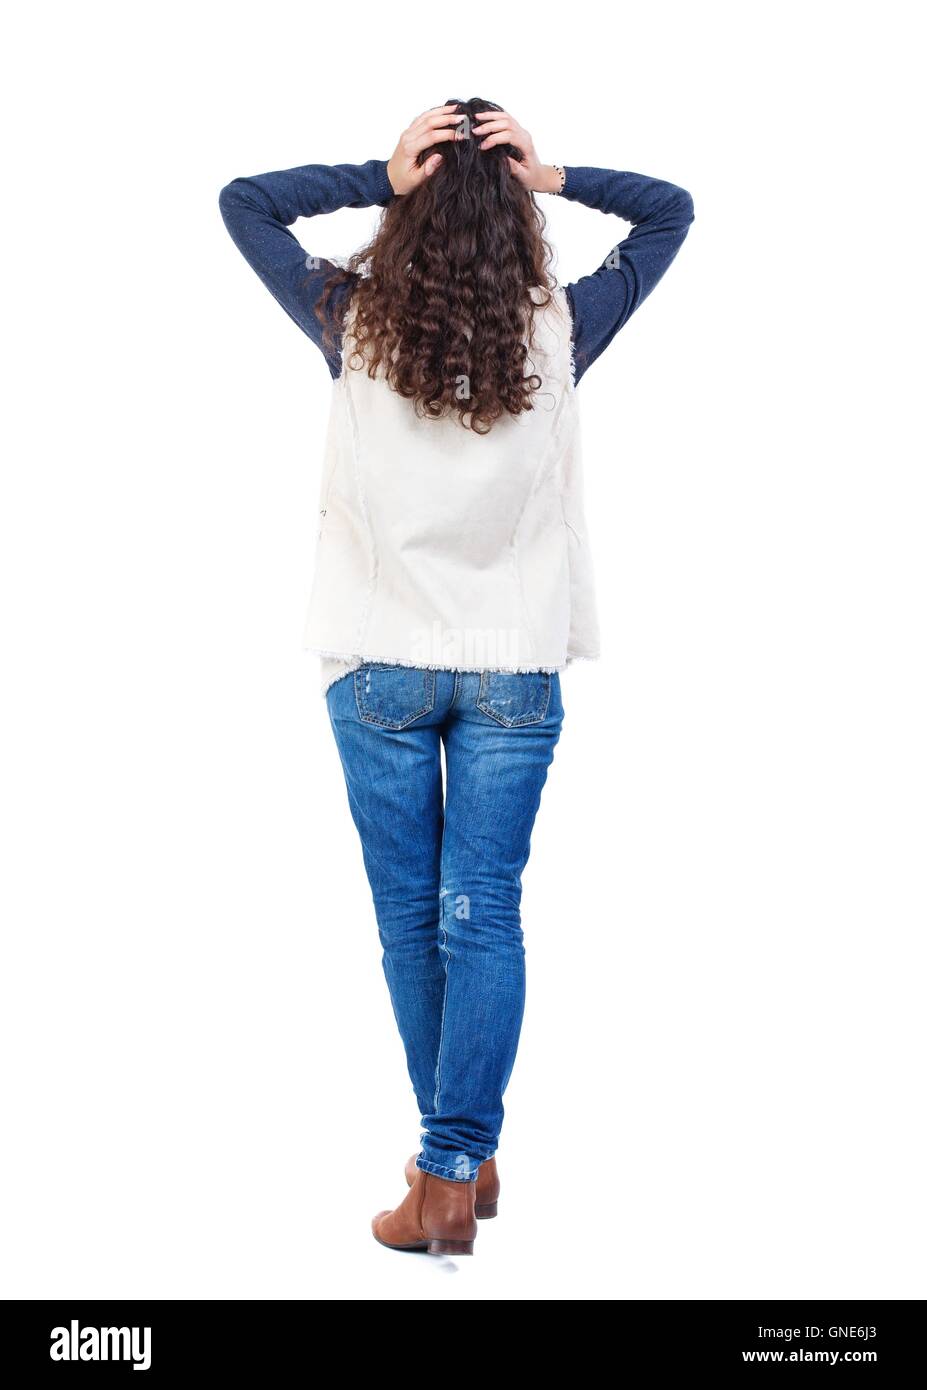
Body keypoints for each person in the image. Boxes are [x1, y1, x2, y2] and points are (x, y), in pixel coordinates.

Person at [219, 98, 693, 1255]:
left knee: (408, 923)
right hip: (513, 671)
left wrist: (385, 179)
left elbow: (248, 204)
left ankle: (442, 1170)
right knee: (482, 917)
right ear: (519, 213)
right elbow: (669, 214)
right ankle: (458, 1163)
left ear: (414, 206)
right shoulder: (563, 329)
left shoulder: (352, 319)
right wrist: (553, 172)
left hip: (377, 663)